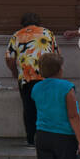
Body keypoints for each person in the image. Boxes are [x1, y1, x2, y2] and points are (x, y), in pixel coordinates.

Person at [6, 13, 59, 147]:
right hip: (46, 76)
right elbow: (57, 55)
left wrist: (15, 72)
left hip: (26, 77)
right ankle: (48, 138)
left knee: (29, 108)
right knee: (47, 107)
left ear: (23, 23)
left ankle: (31, 139)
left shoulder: (17, 35)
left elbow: (9, 58)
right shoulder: (48, 33)